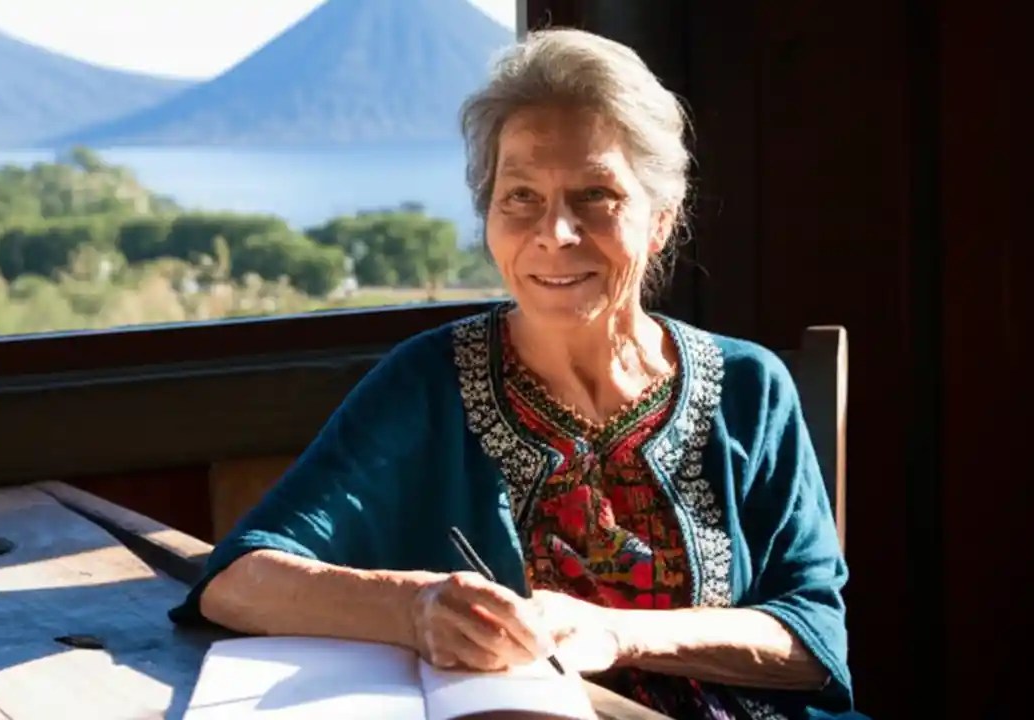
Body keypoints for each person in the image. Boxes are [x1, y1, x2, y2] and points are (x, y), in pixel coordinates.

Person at [170, 28, 860, 720]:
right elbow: (239, 579)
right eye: (520, 197)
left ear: (659, 220)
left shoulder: (750, 388)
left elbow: (813, 642)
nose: (554, 233)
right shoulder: (427, 383)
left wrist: (615, 633)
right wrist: (417, 609)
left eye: (595, 194)